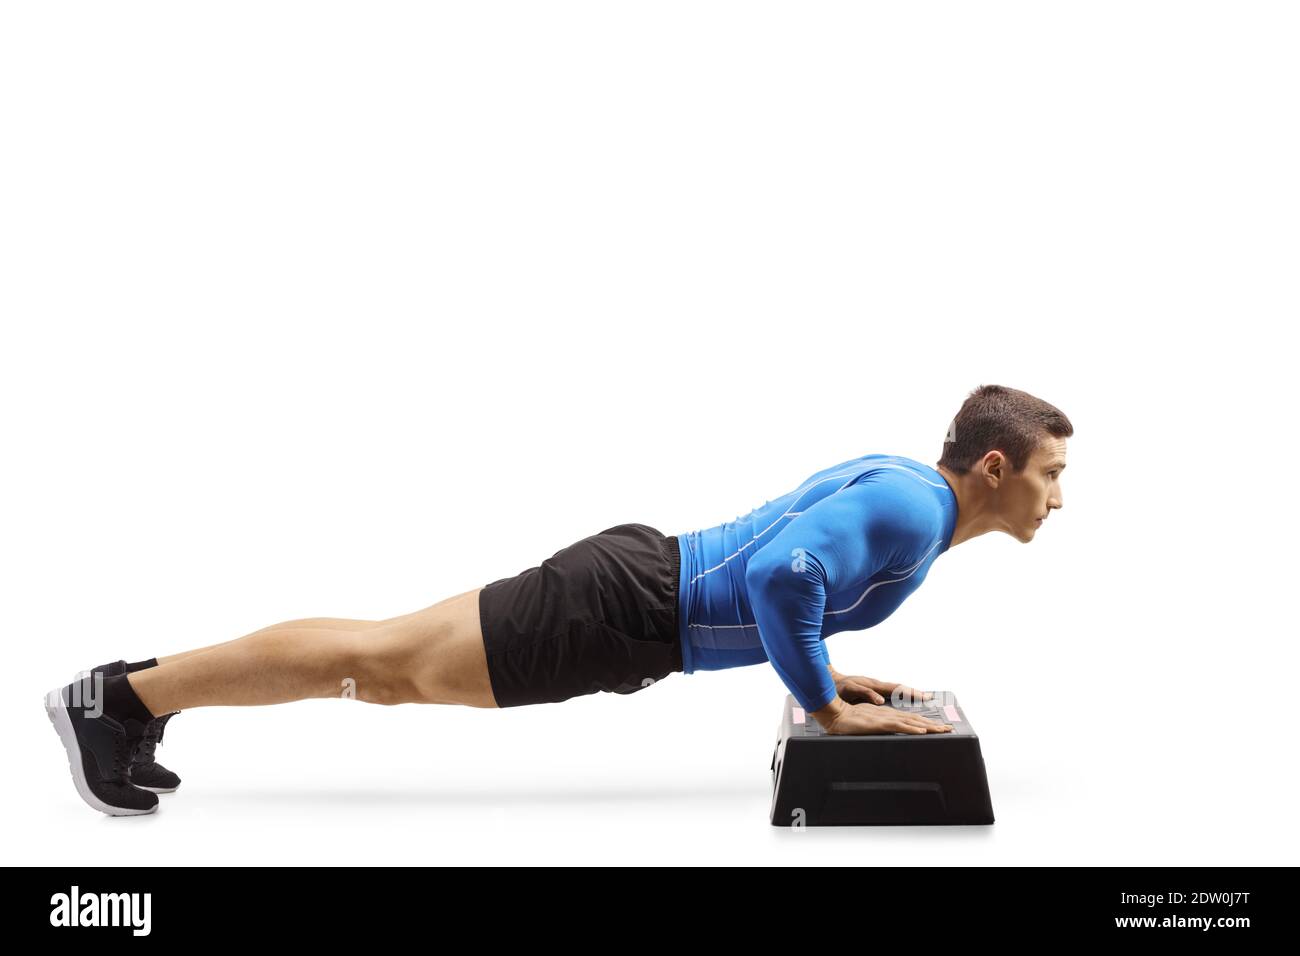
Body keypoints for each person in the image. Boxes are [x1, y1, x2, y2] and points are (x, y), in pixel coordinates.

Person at [45, 384, 1071, 815]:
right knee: (380, 666)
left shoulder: (906, 489)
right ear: (993, 464)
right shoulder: (910, 509)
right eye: (1049, 473)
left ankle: (137, 694)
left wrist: (822, 670)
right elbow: (775, 577)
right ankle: (119, 697)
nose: (1056, 497)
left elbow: (781, 575)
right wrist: (823, 700)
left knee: (384, 651)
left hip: (630, 584)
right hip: (625, 607)